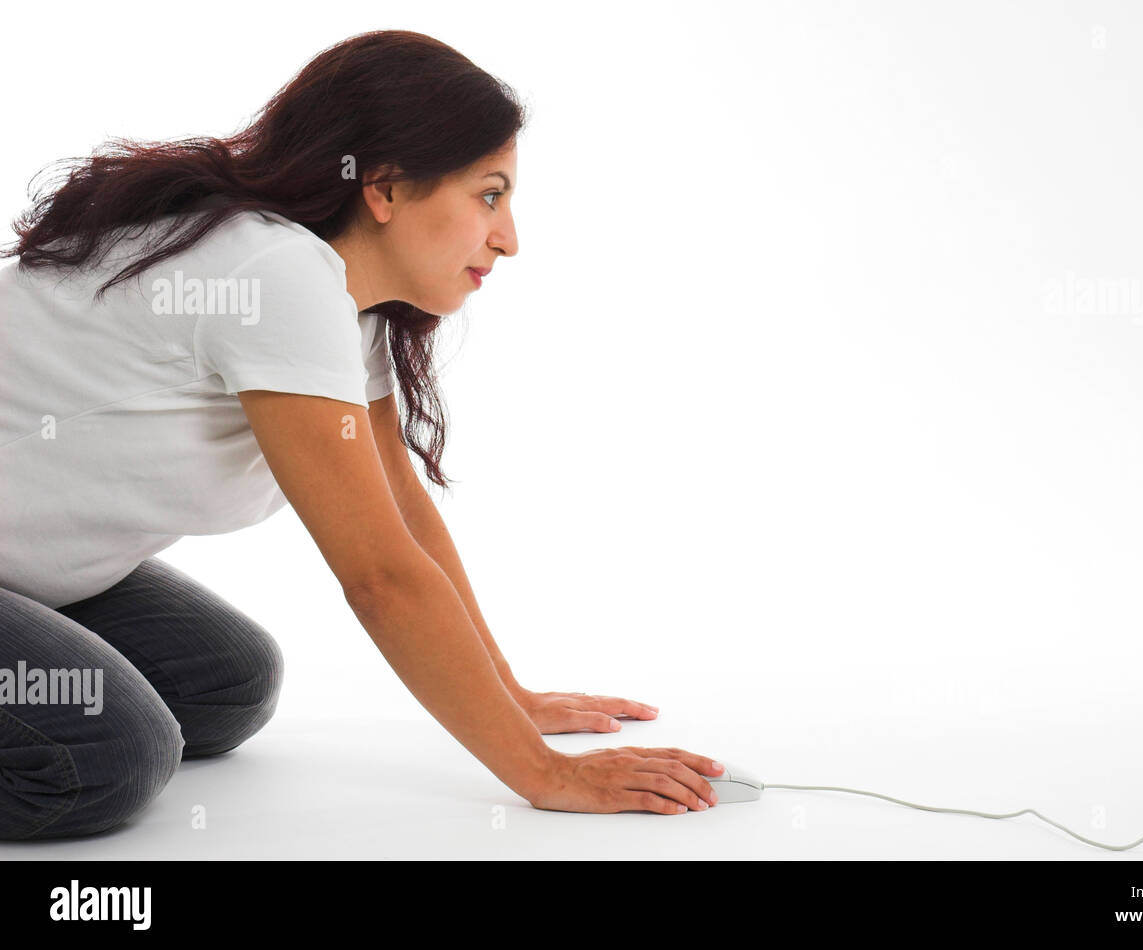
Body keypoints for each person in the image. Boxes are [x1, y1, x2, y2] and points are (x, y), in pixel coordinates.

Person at [0, 29, 722, 841]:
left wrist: (506, 692)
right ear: (382, 186)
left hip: (22, 574)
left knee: (224, 683)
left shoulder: (345, 299)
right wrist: (541, 773)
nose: (509, 236)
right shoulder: (274, 277)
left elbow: (402, 514)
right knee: (106, 755)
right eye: (490, 195)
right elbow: (378, 573)